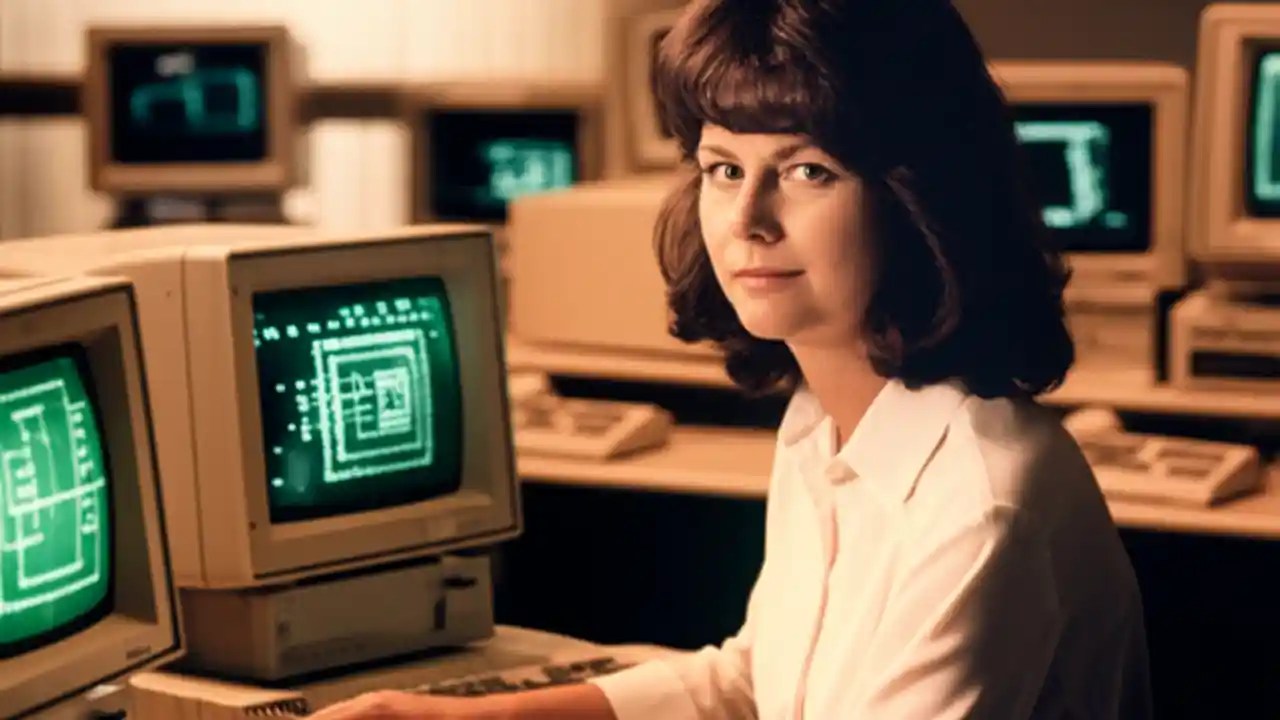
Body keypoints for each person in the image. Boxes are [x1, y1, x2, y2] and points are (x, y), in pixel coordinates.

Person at [307, 0, 1151, 717]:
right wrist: (468, 715)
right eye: (722, 167)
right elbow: (759, 680)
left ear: (915, 200)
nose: (748, 216)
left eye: (808, 171)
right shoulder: (828, 420)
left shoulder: (981, 506)